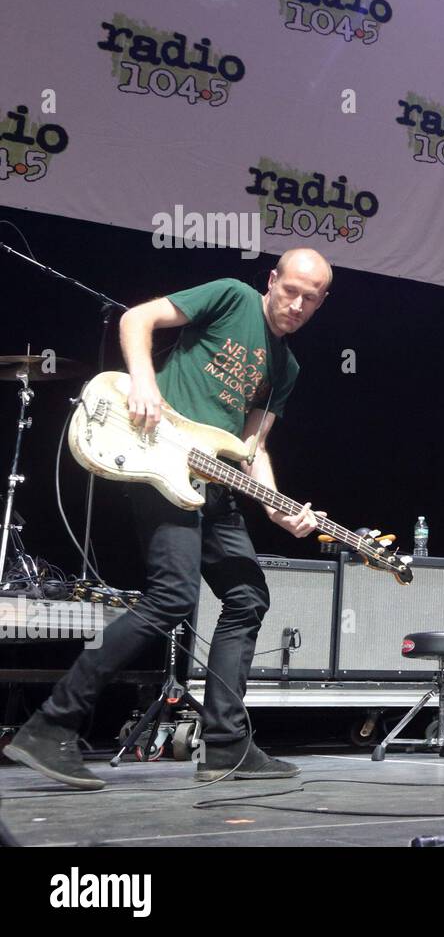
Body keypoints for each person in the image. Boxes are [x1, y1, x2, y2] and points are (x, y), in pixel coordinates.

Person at [4, 248, 334, 789]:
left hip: (215, 478)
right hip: (161, 460)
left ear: (321, 303)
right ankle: (51, 725)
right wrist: (144, 382)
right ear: (272, 280)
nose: (295, 304)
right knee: (173, 599)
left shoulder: (287, 369)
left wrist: (277, 504)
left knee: (248, 596)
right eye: (289, 290)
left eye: (309, 299)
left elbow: (252, 447)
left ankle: (226, 744)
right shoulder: (231, 296)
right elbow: (138, 318)